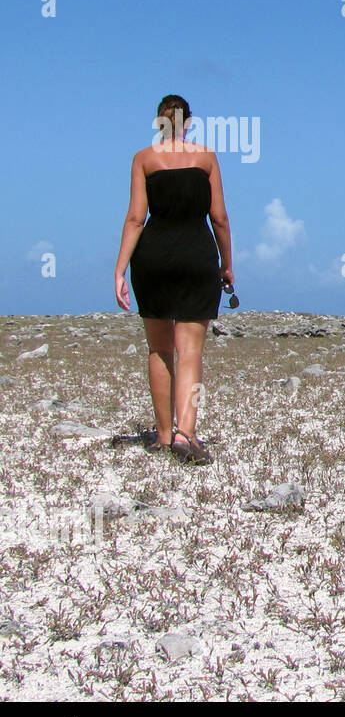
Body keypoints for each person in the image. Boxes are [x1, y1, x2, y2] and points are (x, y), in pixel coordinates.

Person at [113, 95, 233, 463]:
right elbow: (220, 220)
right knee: (191, 351)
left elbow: (135, 219)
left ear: (158, 122)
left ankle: (163, 435)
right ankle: (187, 434)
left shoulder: (143, 159)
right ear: (189, 122)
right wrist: (227, 265)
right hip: (197, 255)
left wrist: (120, 269)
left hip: (153, 258)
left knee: (159, 349)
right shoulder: (206, 158)